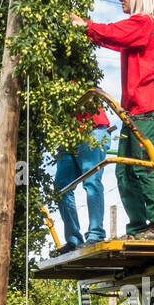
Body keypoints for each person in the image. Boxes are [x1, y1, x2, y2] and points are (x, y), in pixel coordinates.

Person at [69, 0, 154, 240]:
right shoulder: (140, 25)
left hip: (146, 108)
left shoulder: (144, 23)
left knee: (143, 166)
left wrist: (85, 26)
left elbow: (114, 33)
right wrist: (88, 30)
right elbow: (115, 39)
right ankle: (138, 227)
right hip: (133, 110)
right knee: (124, 170)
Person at [53, 97, 112, 256]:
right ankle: (74, 239)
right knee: (61, 188)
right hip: (69, 138)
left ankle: (95, 234)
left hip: (92, 130)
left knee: (91, 181)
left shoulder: (77, 76)